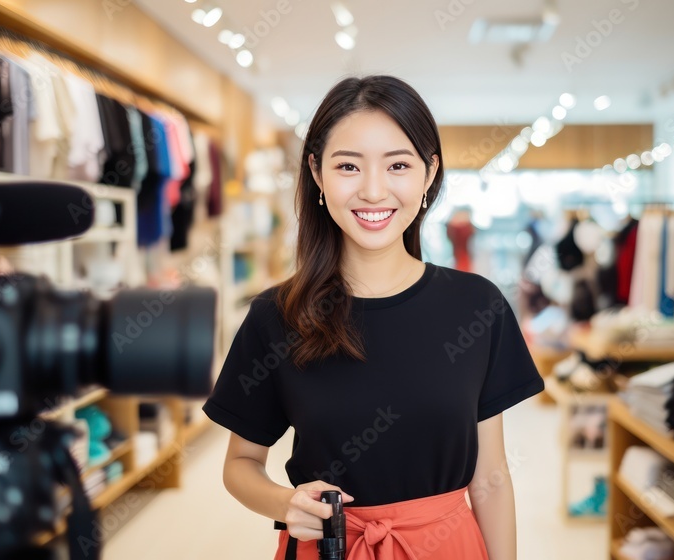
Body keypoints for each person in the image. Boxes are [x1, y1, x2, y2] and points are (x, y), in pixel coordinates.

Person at [203, 75, 544, 560]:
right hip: (330, 549)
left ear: (429, 174)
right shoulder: (277, 316)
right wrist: (285, 501)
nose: (373, 190)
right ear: (317, 174)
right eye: (348, 166)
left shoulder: (477, 306)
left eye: (398, 165)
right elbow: (240, 463)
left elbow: (490, 477)